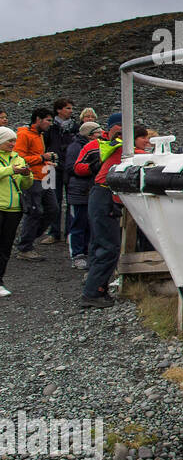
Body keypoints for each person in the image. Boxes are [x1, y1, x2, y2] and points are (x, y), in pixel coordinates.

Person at [83, 116, 144, 307]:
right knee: (109, 247)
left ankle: (95, 287)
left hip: (100, 196)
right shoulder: (124, 151)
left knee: (98, 244)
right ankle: (93, 293)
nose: (147, 142)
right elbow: (143, 157)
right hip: (105, 197)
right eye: (143, 138)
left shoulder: (114, 149)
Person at [14, 108, 59, 260]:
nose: (50, 124)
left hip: (44, 176)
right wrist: (41, 158)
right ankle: (25, 247)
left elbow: (35, 157)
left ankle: (28, 239)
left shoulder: (39, 135)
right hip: (31, 178)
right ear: (38, 119)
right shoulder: (24, 134)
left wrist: (47, 161)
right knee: (35, 212)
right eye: (48, 120)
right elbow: (19, 158)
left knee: (53, 209)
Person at [0, 126, 35, 297]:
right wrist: (11, 170)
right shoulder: (11, 163)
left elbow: (25, 185)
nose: (13, 144)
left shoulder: (18, 158)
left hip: (14, 208)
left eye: (14, 140)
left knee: (6, 247)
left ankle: (0, 280)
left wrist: (27, 175)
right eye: (10, 141)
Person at [65, 121, 101, 268]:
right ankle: (77, 256)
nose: (100, 135)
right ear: (90, 134)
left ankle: (87, 253)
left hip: (90, 190)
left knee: (89, 224)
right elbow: (71, 168)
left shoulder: (96, 146)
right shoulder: (75, 147)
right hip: (78, 190)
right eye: (97, 133)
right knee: (78, 224)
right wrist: (92, 168)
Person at [43, 97, 77, 243]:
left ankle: (70, 232)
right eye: (68, 108)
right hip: (52, 167)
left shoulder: (75, 127)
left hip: (69, 166)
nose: (71, 111)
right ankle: (53, 232)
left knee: (71, 200)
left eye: (71, 108)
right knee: (53, 200)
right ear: (59, 109)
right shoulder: (50, 128)